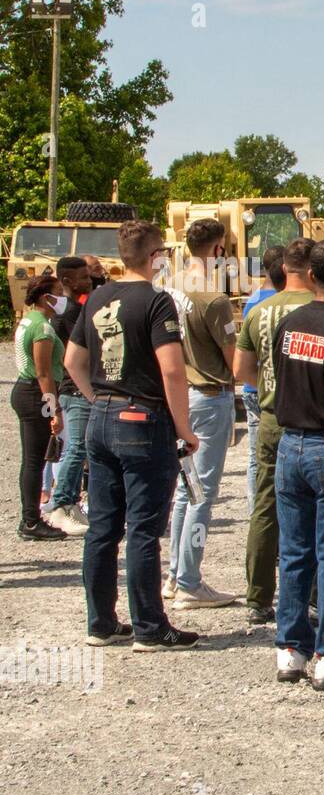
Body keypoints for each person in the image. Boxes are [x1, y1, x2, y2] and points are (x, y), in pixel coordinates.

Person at [64, 220, 202, 651]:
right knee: (143, 528)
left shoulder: (98, 297)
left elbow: (72, 360)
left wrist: (99, 397)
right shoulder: (157, 302)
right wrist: (184, 428)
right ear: (153, 255)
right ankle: (149, 626)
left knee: (102, 528)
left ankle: (101, 622)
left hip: (100, 418)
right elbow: (173, 370)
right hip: (142, 421)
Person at [270, 239, 324, 691]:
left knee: (293, 553)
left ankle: (289, 650)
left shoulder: (287, 323)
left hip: (287, 446)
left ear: (309, 275)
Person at [234, 237, 315, 625]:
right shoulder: (320, 311)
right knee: (318, 508)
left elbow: (241, 372)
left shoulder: (259, 311)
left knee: (266, 506)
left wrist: (269, 388)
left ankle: (258, 596)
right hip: (310, 422)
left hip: (269, 418)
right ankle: (314, 595)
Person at [163, 218, 240, 609]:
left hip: (180, 395)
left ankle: (176, 574)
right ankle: (190, 582)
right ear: (217, 250)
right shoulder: (215, 299)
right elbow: (235, 363)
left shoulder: (170, 286)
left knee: (184, 489)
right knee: (202, 494)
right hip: (210, 396)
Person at [11, 274, 68, 540]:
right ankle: (31, 521)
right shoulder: (43, 328)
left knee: (31, 460)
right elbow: (44, 372)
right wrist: (54, 410)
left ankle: (30, 518)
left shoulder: (28, 320)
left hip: (26, 390)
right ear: (47, 297)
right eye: (59, 292)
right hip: (37, 393)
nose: (63, 298)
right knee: (35, 461)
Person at [46, 256, 93, 536]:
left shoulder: (75, 309)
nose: (89, 281)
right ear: (66, 281)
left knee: (82, 448)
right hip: (75, 389)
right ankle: (60, 504)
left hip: (78, 387)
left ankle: (71, 503)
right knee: (76, 447)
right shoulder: (69, 314)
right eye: (84, 277)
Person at [241, 244, 285, 512]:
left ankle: (255, 508)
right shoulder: (280, 304)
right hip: (274, 389)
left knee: (255, 456)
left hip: (252, 386)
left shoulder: (252, 302)